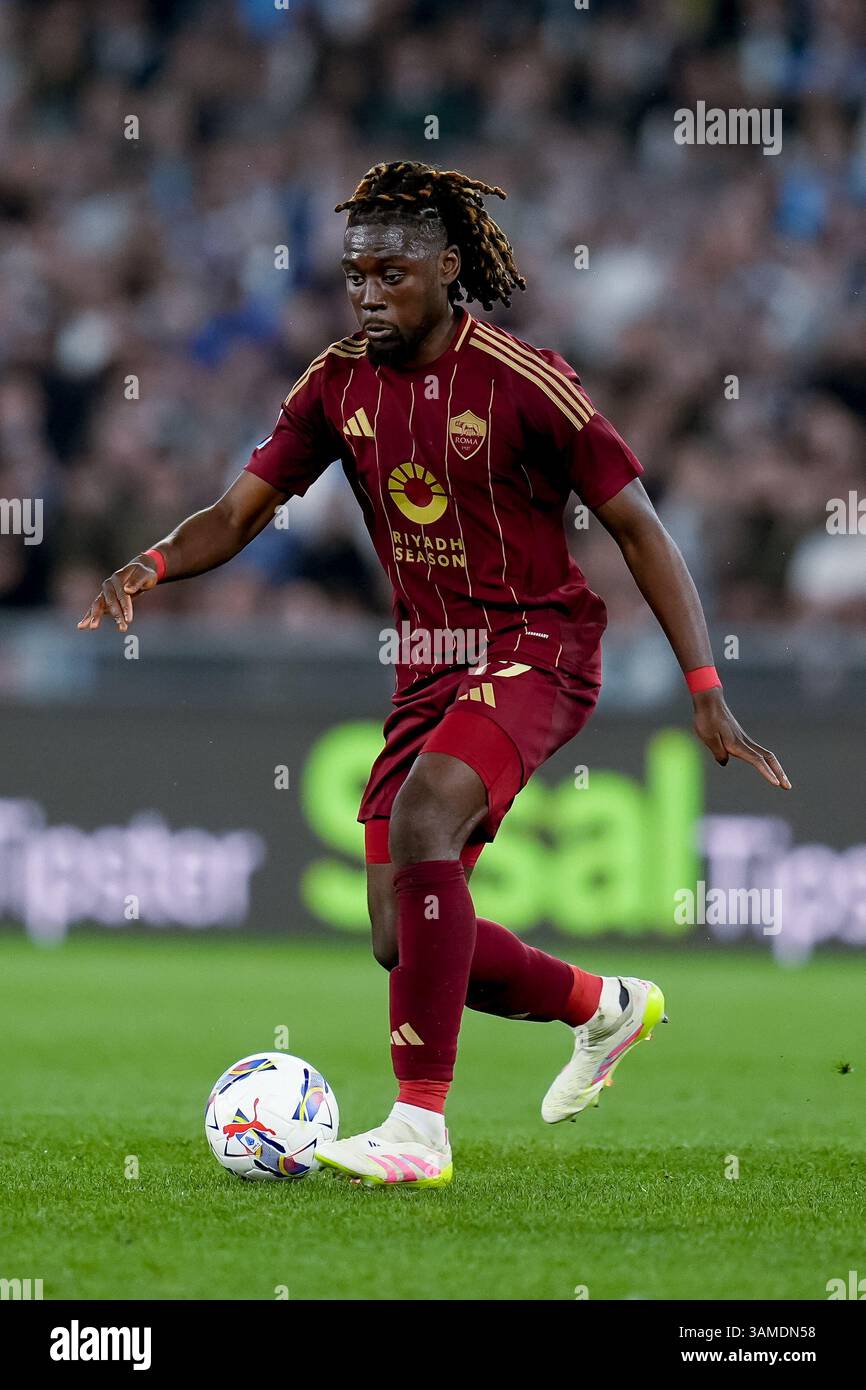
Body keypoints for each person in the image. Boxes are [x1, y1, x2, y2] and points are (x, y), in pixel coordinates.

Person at [79, 160, 790, 1188]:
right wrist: (147, 562)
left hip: (539, 646)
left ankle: (417, 1127)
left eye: (391, 272)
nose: (368, 293)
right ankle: (604, 1006)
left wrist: (703, 690)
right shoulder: (335, 384)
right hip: (424, 669)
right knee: (397, 935)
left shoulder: (521, 379)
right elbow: (237, 514)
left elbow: (637, 525)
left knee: (422, 826)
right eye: (354, 274)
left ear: (447, 268)